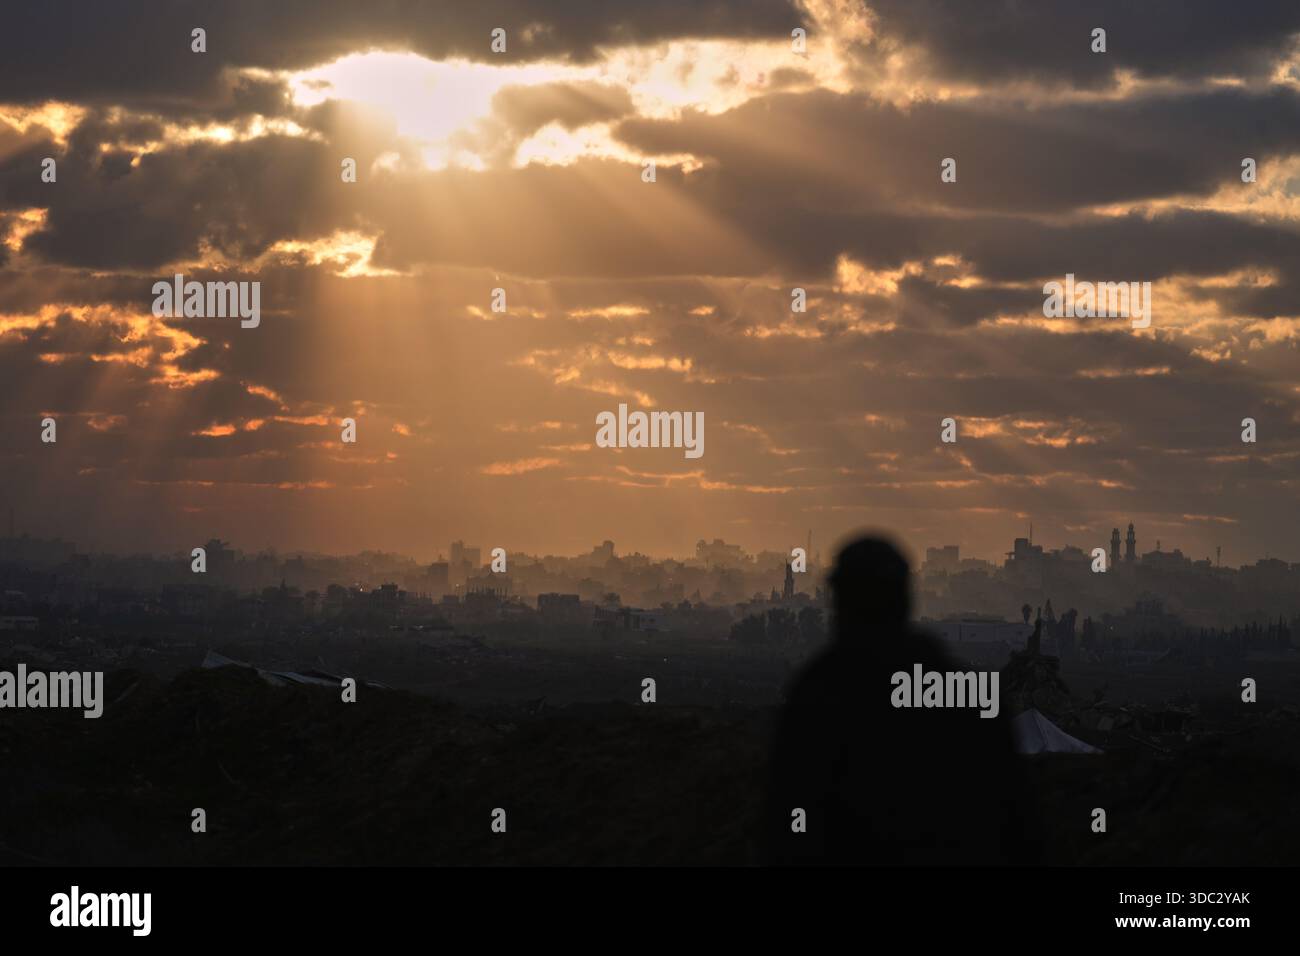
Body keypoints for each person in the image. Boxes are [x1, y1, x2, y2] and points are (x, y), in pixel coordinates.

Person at [764, 535, 1040, 865]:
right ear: (905, 599)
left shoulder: (820, 692)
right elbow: (1015, 819)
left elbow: (789, 812)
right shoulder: (963, 691)